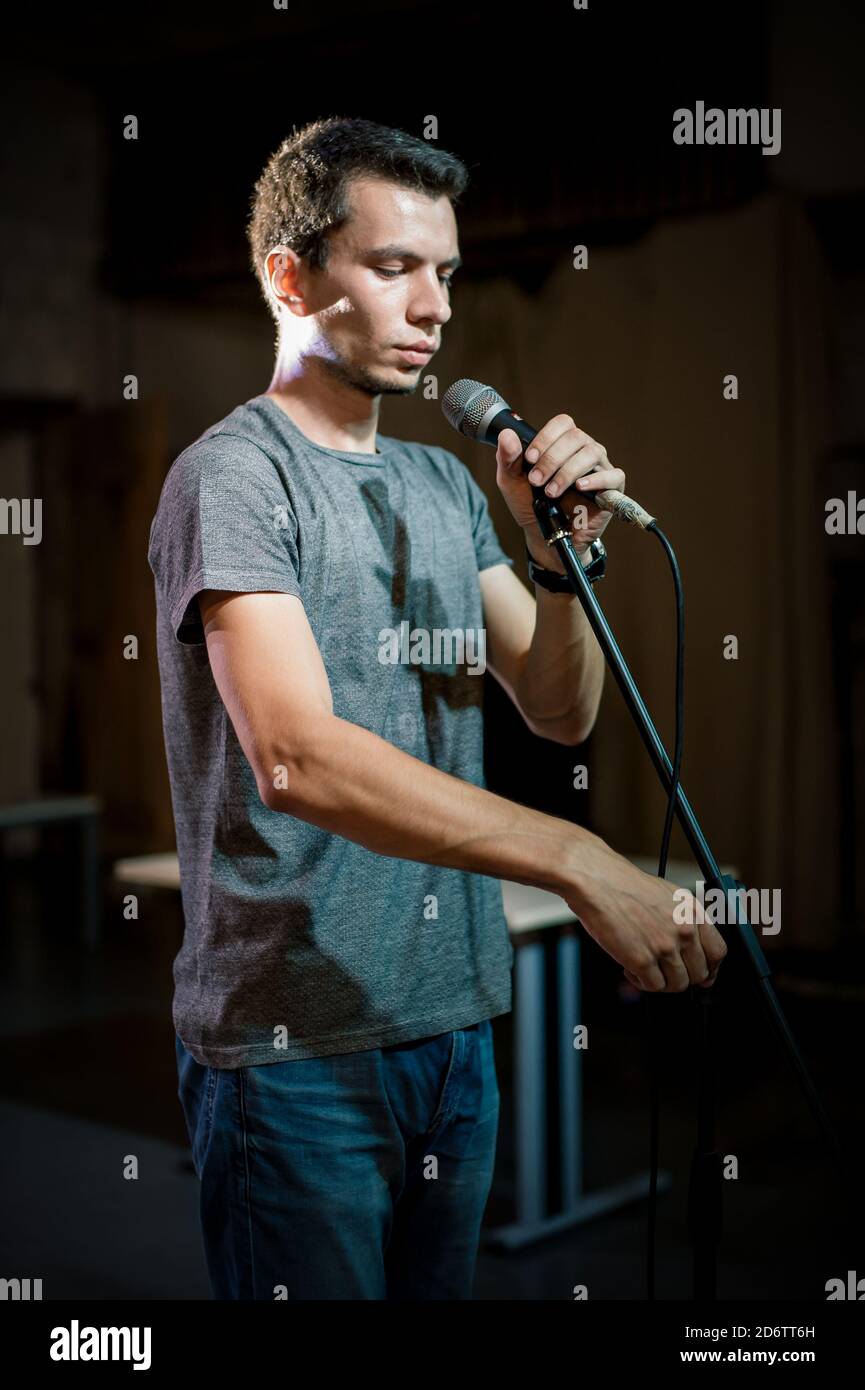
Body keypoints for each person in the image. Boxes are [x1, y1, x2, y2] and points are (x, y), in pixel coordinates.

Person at [148, 116, 726, 1301]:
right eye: (393, 265)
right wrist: (574, 855)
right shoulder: (236, 476)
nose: (434, 307)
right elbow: (298, 758)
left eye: (446, 273)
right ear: (291, 274)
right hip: (293, 1048)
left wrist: (551, 552)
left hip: (453, 1029)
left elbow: (560, 709)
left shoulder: (437, 481)